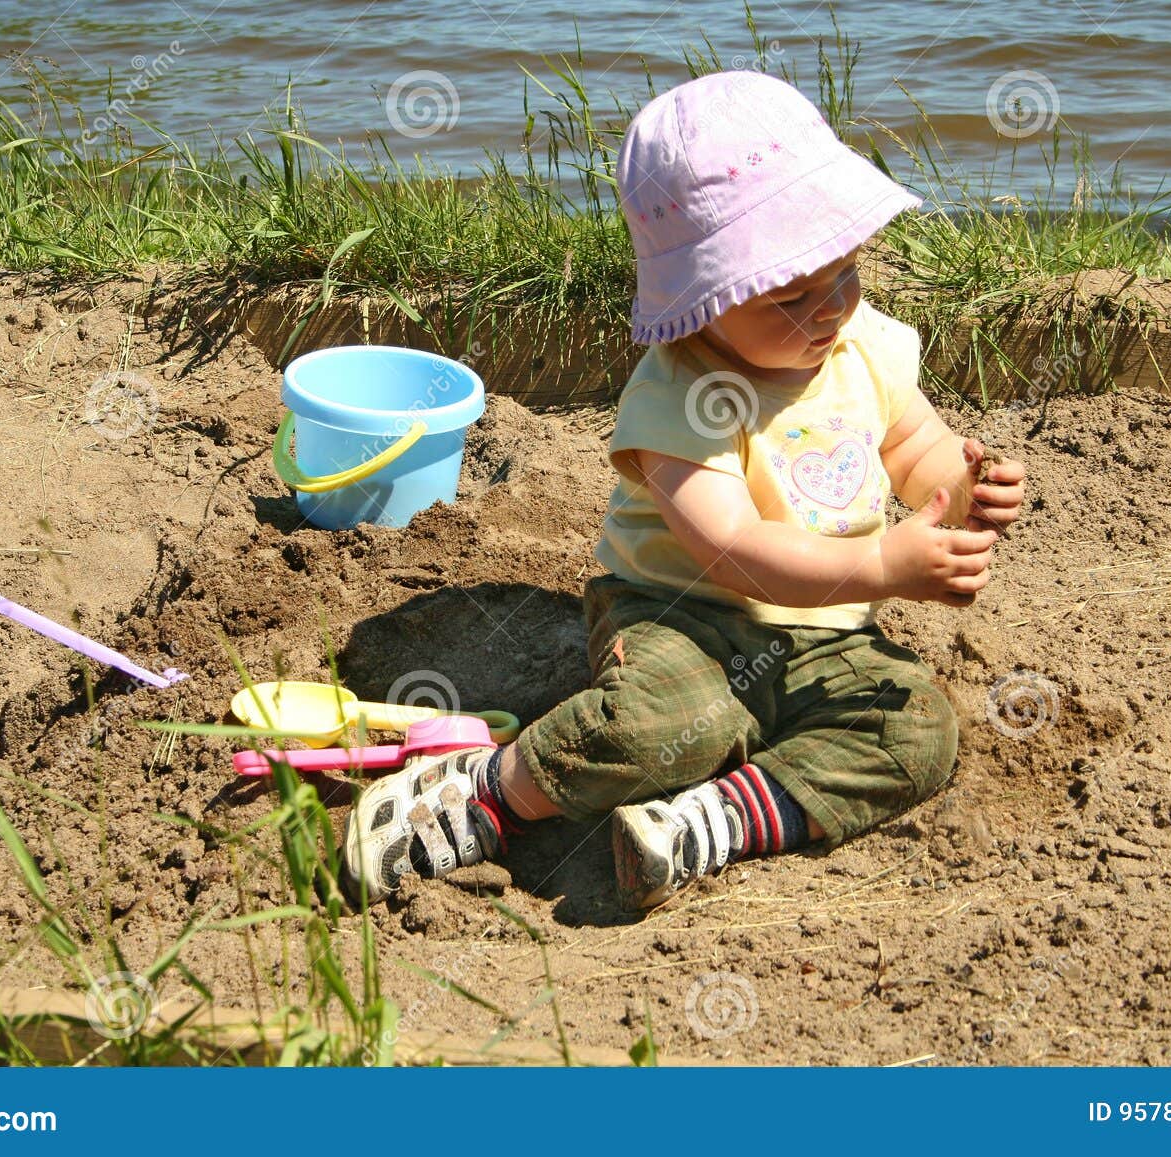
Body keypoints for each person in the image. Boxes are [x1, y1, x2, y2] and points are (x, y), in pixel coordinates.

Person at [338, 70, 1027, 910]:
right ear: (704, 299)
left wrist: (962, 485)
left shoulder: (863, 343)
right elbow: (730, 548)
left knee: (918, 730)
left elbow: (914, 444)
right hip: (683, 620)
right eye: (790, 294)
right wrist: (883, 562)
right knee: (652, 727)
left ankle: (713, 819)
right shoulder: (679, 392)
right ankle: (487, 791)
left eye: (844, 273)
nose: (830, 309)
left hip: (825, 630)